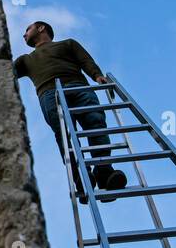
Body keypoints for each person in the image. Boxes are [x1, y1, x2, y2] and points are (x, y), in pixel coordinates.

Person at [13, 21, 127, 202]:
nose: (24, 34)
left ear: (41, 28)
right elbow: (5, 72)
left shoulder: (68, 44)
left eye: (28, 29)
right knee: (64, 135)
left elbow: (85, 60)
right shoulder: (26, 59)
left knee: (95, 122)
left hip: (78, 86)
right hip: (49, 94)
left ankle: (104, 172)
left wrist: (97, 76)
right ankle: (81, 178)